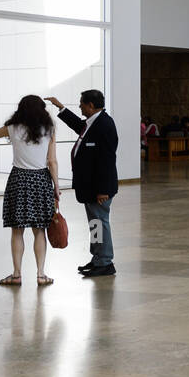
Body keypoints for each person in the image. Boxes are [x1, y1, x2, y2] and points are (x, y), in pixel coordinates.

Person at [0, 96, 60, 286]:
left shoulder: (12, 127)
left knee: (17, 231)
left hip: (18, 180)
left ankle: (16, 274)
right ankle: (40, 274)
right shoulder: (49, 129)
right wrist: (56, 186)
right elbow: (52, 162)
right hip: (41, 180)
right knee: (40, 231)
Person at [46, 90, 119, 277]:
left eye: (82, 104)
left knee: (100, 223)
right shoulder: (93, 123)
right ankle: (98, 259)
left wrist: (103, 190)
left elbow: (107, 160)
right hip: (90, 188)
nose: (80, 106)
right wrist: (61, 108)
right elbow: (79, 126)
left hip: (99, 190)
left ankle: (105, 262)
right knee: (95, 223)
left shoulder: (104, 124)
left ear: (91, 106)